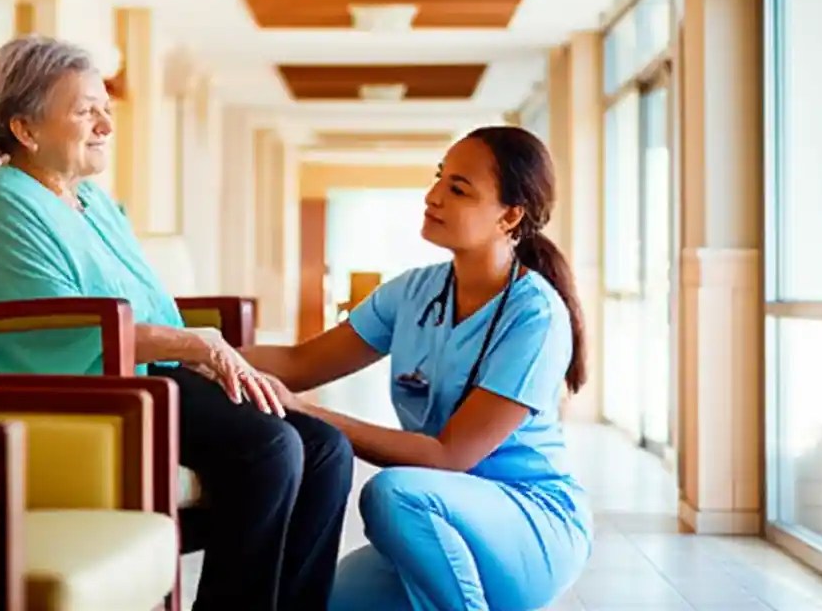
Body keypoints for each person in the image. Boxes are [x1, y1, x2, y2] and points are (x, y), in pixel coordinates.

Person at [0, 35, 353, 611]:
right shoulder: (6, 205)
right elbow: (56, 328)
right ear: (26, 129)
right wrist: (194, 344)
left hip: (148, 373)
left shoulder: (92, 204)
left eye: (105, 110)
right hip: (91, 389)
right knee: (269, 450)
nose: (105, 127)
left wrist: (198, 351)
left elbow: (145, 303)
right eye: (85, 111)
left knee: (328, 450)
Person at [242, 126, 593, 610]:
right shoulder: (412, 292)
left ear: (509, 216)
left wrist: (305, 412)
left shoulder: (535, 315)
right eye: (438, 178)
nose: (432, 197)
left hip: (529, 526)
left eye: (458, 188)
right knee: (325, 602)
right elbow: (299, 362)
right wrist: (201, 353)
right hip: (438, 519)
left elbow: (450, 456)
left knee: (392, 494)